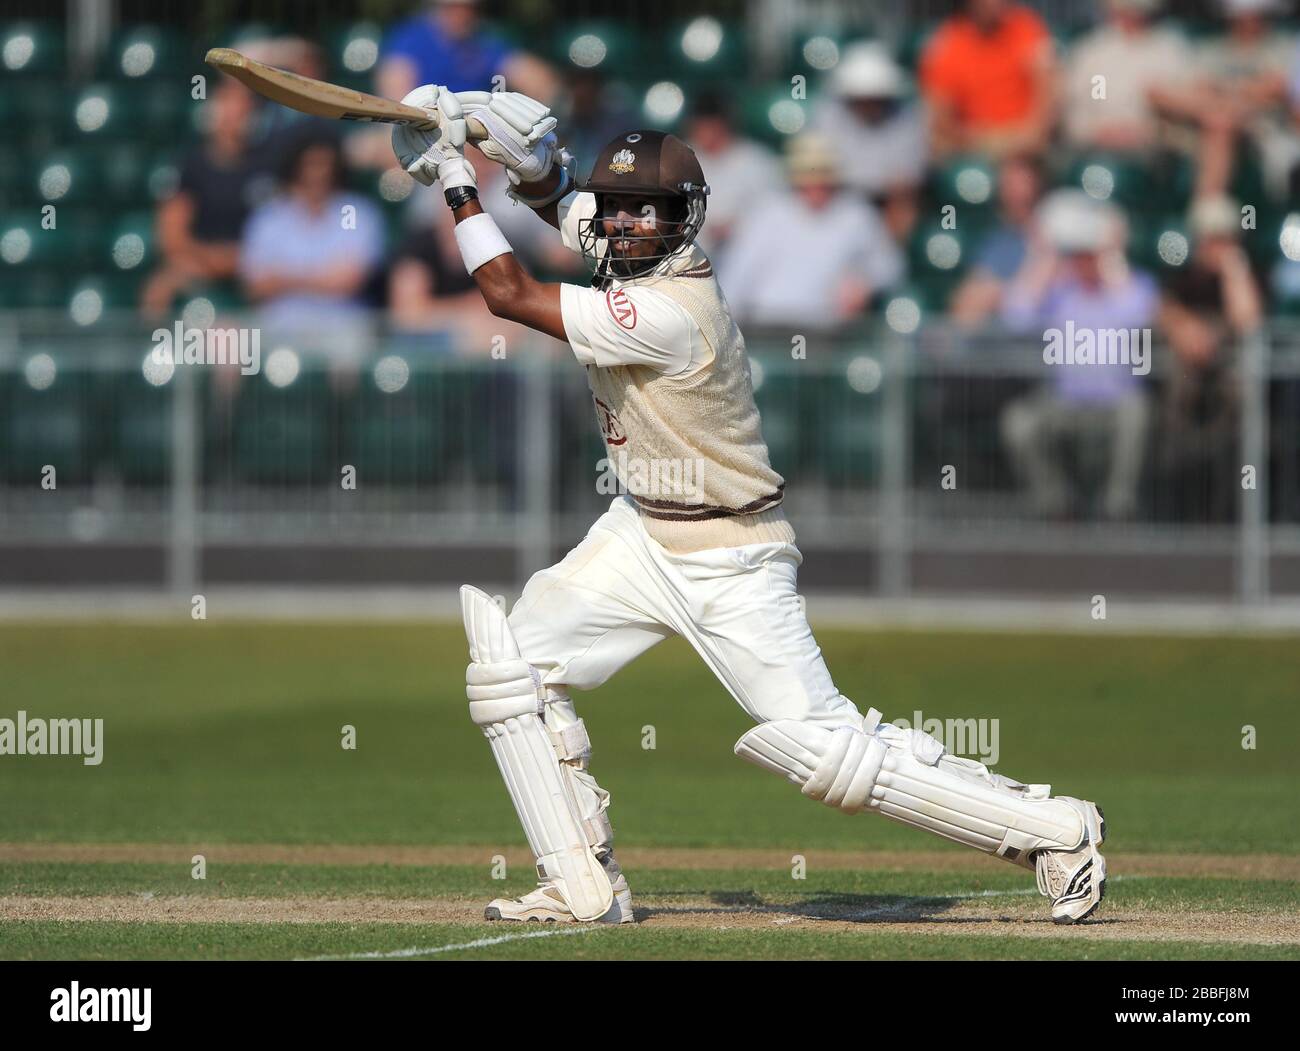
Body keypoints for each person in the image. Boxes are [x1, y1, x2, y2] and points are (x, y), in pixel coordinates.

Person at [386, 85, 1108, 925]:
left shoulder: (666, 307)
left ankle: (1057, 830)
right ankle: (582, 883)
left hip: (730, 554)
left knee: (821, 752)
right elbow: (564, 210)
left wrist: (456, 176)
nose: (620, 225)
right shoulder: (632, 247)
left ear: (680, 220)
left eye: (641, 213)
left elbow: (508, 293)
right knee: (510, 666)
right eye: (615, 210)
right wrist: (538, 169)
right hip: (639, 535)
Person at [999, 190, 1158, 520]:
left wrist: (1112, 255)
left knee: (1137, 413)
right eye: (1079, 253)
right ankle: (1055, 503)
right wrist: (1047, 256)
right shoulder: (1059, 292)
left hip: (1116, 404)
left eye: (1091, 253)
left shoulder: (1130, 286)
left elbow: (1138, 315)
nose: (1085, 261)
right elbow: (1016, 317)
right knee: (1020, 423)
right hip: (1065, 403)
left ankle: (1119, 507)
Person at [718, 133, 903, 333]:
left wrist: (865, 283)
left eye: (823, 175)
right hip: (768, 328)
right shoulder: (767, 212)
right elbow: (735, 275)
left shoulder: (856, 214)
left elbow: (890, 266)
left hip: (830, 332)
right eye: (808, 174)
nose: (816, 185)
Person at [239, 132, 384, 374]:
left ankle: (342, 413)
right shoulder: (268, 218)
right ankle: (229, 413)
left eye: (325, 164)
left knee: (350, 352)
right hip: (279, 325)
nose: (318, 173)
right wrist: (322, 277)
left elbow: (349, 282)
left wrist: (284, 278)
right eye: (310, 164)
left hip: (342, 325)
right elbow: (255, 285)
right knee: (227, 339)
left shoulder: (360, 212)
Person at [1156, 195, 1263, 520]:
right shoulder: (1183, 278)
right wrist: (1185, 328)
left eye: (1224, 238)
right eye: (1210, 238)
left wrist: (1234, 271)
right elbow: (1162, 309)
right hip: (1186, 382)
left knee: (1242, 401)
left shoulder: (1248, 275)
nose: (1216, 246)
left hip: (1231, 386)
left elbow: (1247, 321)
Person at [141, 79, 272, 318]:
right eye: (228, 102)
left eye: (244, 104)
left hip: (253, 267)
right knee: (160, 288)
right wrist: (212, 260)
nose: (236, 112)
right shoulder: (190, 165)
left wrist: (239, 261)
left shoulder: (267, 166)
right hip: (200, 263)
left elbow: (280, 232)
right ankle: (156, 351)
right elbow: (172, 237)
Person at [811, 41, 927, 241]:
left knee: (903, 209)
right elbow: (818, 172)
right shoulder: (828, 116)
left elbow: (905, 183)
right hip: (837, 199)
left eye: (874, 95)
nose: (868, 102)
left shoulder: (906, 120)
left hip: (884, 205)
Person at [919, 0, 1057, 159]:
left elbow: (1048, 90)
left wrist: (1029, 134)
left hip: (1024, 144)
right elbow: (940, 117)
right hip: (973, 146)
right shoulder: (946, 43)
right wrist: (980, 140)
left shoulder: (1026, 27)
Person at [950, 152, 1044, 327]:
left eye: (1020, 182)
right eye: (1008, 183)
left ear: (1035, 185)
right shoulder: (994, 237)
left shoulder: (1052, 225)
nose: (1014, 191)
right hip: (1007, 329)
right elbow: (972, 293)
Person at [683, 92, 782, 256]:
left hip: (745, 253)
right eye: (701, 125)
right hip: (691, 257)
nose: (707, 132)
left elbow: (775, 212)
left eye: (713, 125)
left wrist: (737, 227)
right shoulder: (679, 160)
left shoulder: (757, 161)